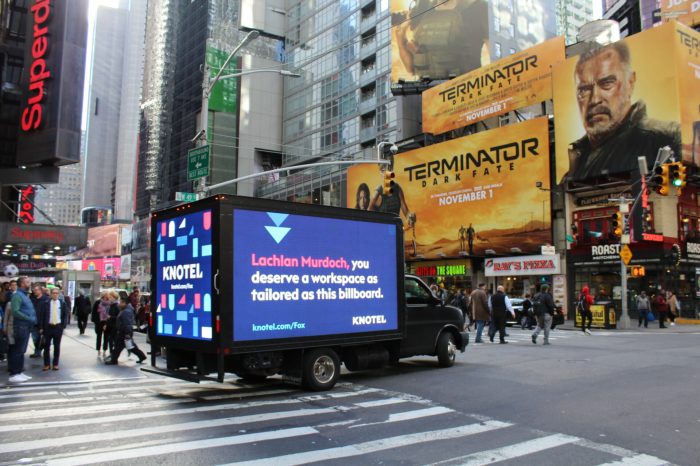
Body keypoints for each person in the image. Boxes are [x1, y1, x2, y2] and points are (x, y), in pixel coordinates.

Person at [568, 42, 681, 182]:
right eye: (584, 89)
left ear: (630, 83)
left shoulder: (668, 138)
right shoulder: (578, 158)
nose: (595, 99)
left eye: (607, 83)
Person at [393, 0, 489, 81]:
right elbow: (411, 69)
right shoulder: (424, 11)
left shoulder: (477, 7)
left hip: (464, 92)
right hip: (430, 95)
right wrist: (401, 39)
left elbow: (497, 57)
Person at [367, 156, 415, 228]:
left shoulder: (397, 188)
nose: (386, 173)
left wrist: (410, 218)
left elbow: (407, 213)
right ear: (380, 172)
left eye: (389, 169)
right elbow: (368, 216)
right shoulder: (377, 194)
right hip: (383, 232)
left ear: (392, 170)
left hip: (395, 230)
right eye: (383, 170)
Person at [7, 277, 37, 383]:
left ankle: (19, 372)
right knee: (17, 350)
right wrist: (29, 318)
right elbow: (15, 312)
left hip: (25, 326)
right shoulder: (17, 295)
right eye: (28, 282)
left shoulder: (24, 295)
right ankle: (14, 373)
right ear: (22, 284)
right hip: (20, 326)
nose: (30, 283)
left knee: (21, 351)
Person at [105, 297, 146, 365]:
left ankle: (113, 360)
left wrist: (127, 334)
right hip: (124, 332)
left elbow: (127, 324)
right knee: (127, 347)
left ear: (124, 303)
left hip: (124, 333)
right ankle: (142, 356)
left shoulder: (126, 312)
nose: (119, 304)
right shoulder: (125, 310)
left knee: (120, 347)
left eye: (120, 302)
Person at [38, 288, 69, 371]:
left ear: (58, 294)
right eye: (53, 293)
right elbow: (41, 316)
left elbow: (65, 315)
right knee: (46, 347)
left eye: (57, 293)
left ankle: (55, 364)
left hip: (58, 327)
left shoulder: (62, 303)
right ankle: (46, 364)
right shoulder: (46, 303)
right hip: (48, 327)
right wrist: (41, 327)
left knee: (57, 346)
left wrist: (63, 326)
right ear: (51, 294)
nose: (55, 295)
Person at [29, 285, 48, 358]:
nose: (35, 291)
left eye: (36, 290)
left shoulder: (46, 299)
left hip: (42, 322)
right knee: (35, 338)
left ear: (40, 290)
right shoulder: (32, 299)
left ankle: (39, 351)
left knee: (42, 338)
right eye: (34, 290)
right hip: (34, 322)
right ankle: (37, 351)